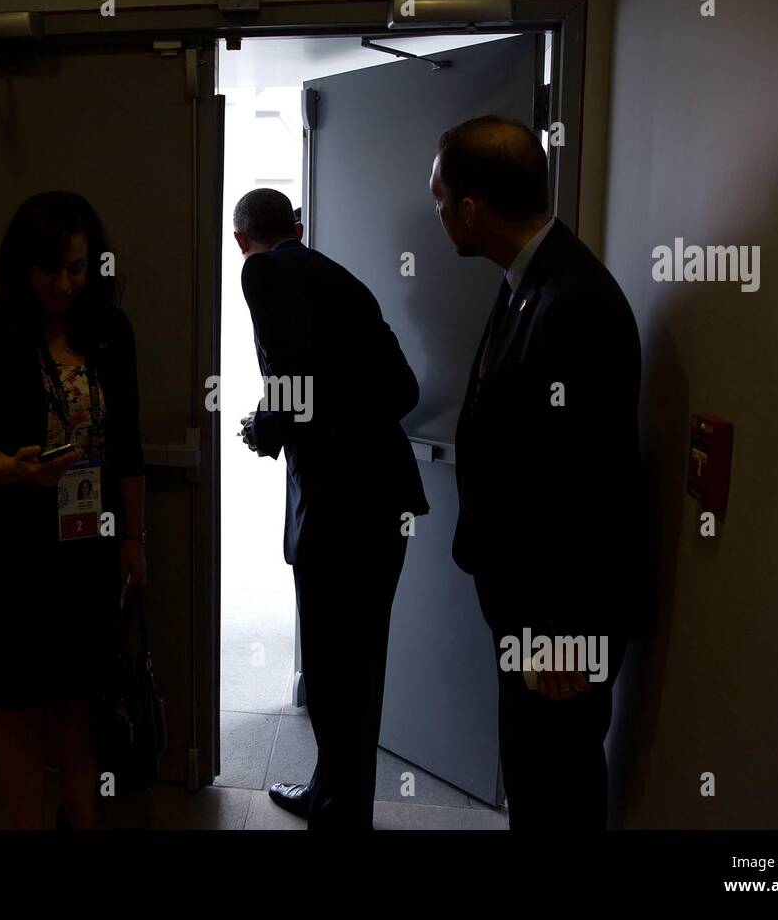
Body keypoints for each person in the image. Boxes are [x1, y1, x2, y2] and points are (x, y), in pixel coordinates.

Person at [429, 116, 643, 828]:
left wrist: (559, 629)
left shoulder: (574, 301)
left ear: (471, 209)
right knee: (532, 776)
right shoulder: (527, 280)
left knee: (558, 787)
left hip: (559, 621)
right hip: (527, 606)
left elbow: (591, 482)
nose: (438, 216)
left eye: (440, 201)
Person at [0, 192, 147, 830]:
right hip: (13, 546)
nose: (64, 283)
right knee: (18, 702)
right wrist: (14, 469)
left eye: (78, 268)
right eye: (50, 268)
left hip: (90, 545)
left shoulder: (111, 333)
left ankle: (80, 815)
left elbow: (129, 445)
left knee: (83, 700)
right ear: (21, 264)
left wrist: (134, 537)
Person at [234, 188, 428, 829]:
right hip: (386, 497)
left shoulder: (261, 271)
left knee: (327, 660)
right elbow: (403, 389)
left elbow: (286, 381)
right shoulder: (341, 278)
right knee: (360, 661)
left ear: (241, 240)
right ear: (296, 225)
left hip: (338, 506)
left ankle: (336, 807)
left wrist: (262, 431)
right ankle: (337, 797)